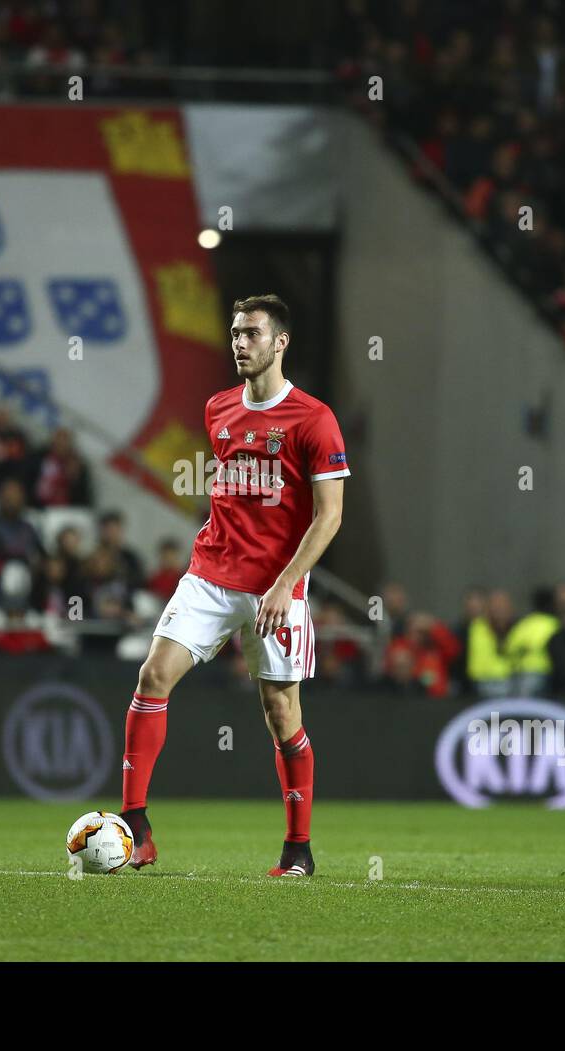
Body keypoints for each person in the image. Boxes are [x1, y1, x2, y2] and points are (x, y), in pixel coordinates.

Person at [120, 295, 349, 878]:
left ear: (281, 342)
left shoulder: (314, 420)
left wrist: (285, 584)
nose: (240, 343)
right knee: (152, 675)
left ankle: (298, 849)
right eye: (235, 333)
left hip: (277, 588)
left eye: (252, 333)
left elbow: (329, 517)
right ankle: (135, 826)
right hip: (212, 573)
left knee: (281, 713)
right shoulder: (218, 408)